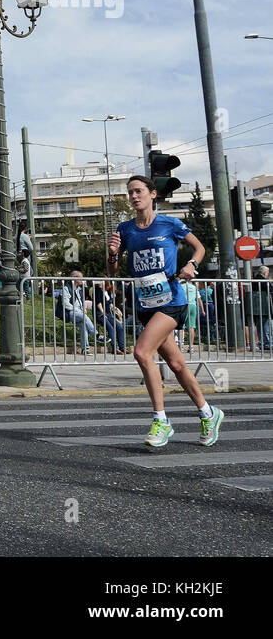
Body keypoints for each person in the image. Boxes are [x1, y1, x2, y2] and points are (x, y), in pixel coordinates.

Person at [108, 174, 223, 448]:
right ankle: (209, 413)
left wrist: (191, 266)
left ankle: (161, 420)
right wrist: (113, 254)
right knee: (177, 364)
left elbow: (200, 247)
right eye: (130, 193)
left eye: (139, 191)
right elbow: (111, 272)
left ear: (152, 194)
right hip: (146, 305)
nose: (134, 196)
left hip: (172, 301)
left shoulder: (169, 224)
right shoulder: (125, 229)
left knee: (141, 352)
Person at [57, 271, 101, 354]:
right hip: (66, 312)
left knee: (82, 323)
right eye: (81, 277)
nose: (82, 279)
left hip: (76, 312)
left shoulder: (79, 289)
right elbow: (65, 304)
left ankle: (85, 349)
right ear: (75, 278)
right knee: (83, 317)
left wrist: (83, 309)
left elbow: (80, 302)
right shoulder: (66, 288)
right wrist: (79, 311)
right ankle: (96, 335)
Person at [93, 279, 127, 354]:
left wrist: (117, 310)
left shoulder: (107, 291)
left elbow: (109, 303)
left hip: (109, 313)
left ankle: (122, 348)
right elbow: (98, 303)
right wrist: (103, 312)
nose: (99, 284)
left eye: (101, 282)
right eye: (98, 282)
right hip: (100, 313)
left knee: (120, 328)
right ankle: (115, 349)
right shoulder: (97, 290)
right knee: (111, 329)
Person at [252, 266, 273, 352]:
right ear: (265, 273)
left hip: (256, 306)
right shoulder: (263, 281)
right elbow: (270, 289)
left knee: (260, 325)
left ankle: (262, 342)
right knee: (266, 325)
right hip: (265, 305)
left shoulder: (254, 280)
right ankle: (268, 343)